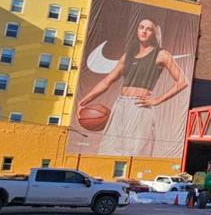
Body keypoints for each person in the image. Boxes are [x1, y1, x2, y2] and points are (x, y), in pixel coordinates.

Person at [78, 18, 188, 157]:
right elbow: (107, 81)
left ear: (154, 34)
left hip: (139, 106)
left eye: (149, 29)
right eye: (141, 27)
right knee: (108, 149)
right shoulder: (127, 56)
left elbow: (182, 81)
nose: (144, 31)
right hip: (120, 105)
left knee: (136, 152)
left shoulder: (162, 55)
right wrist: (83, 102)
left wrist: (157, 100)